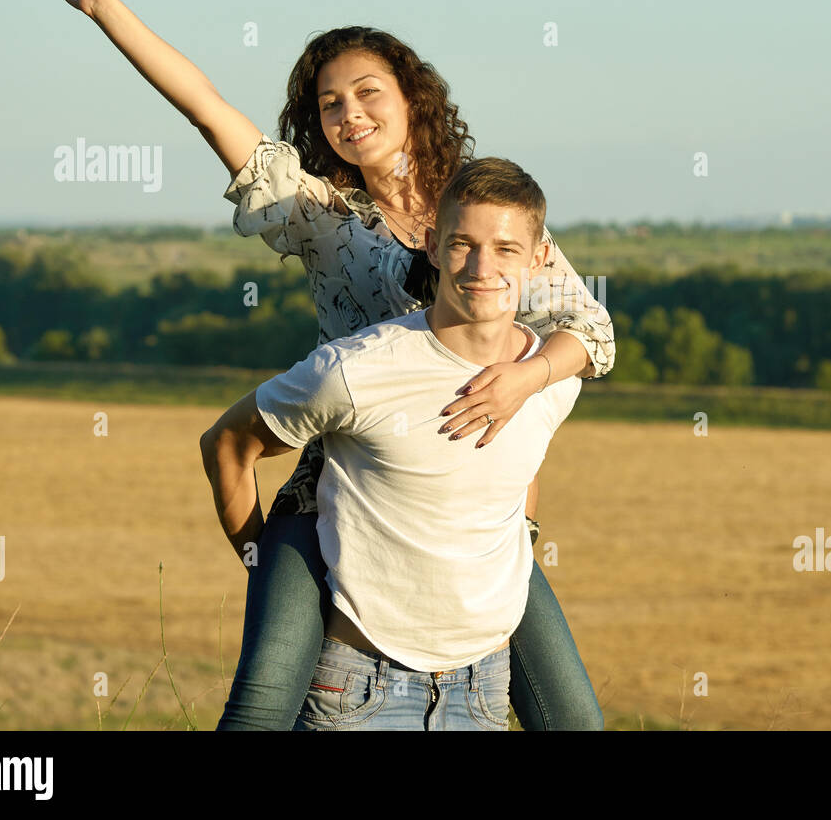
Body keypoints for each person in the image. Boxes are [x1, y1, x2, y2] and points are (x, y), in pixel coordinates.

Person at [46, 0, 614, 729]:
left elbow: (590, 328)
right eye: (330, 104)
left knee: (575, 719)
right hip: (341, 501)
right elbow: (209, 110)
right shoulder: (322, 218)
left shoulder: (482, 215)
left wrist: (525, 377)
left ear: (413, 97)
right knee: (261, 708)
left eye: (369, 91)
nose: (351, 114)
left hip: (478, 516)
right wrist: (106, 8)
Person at [202, 159, 579, 729]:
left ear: (539, 259)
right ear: (431, 245)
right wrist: (265, 567)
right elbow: (227, 445)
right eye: (462, 244)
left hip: (483, 689)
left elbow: (513, 473)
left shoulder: (554, 381)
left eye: (505, 248)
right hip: (357, 691)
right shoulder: (356, 370)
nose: (482, 267)